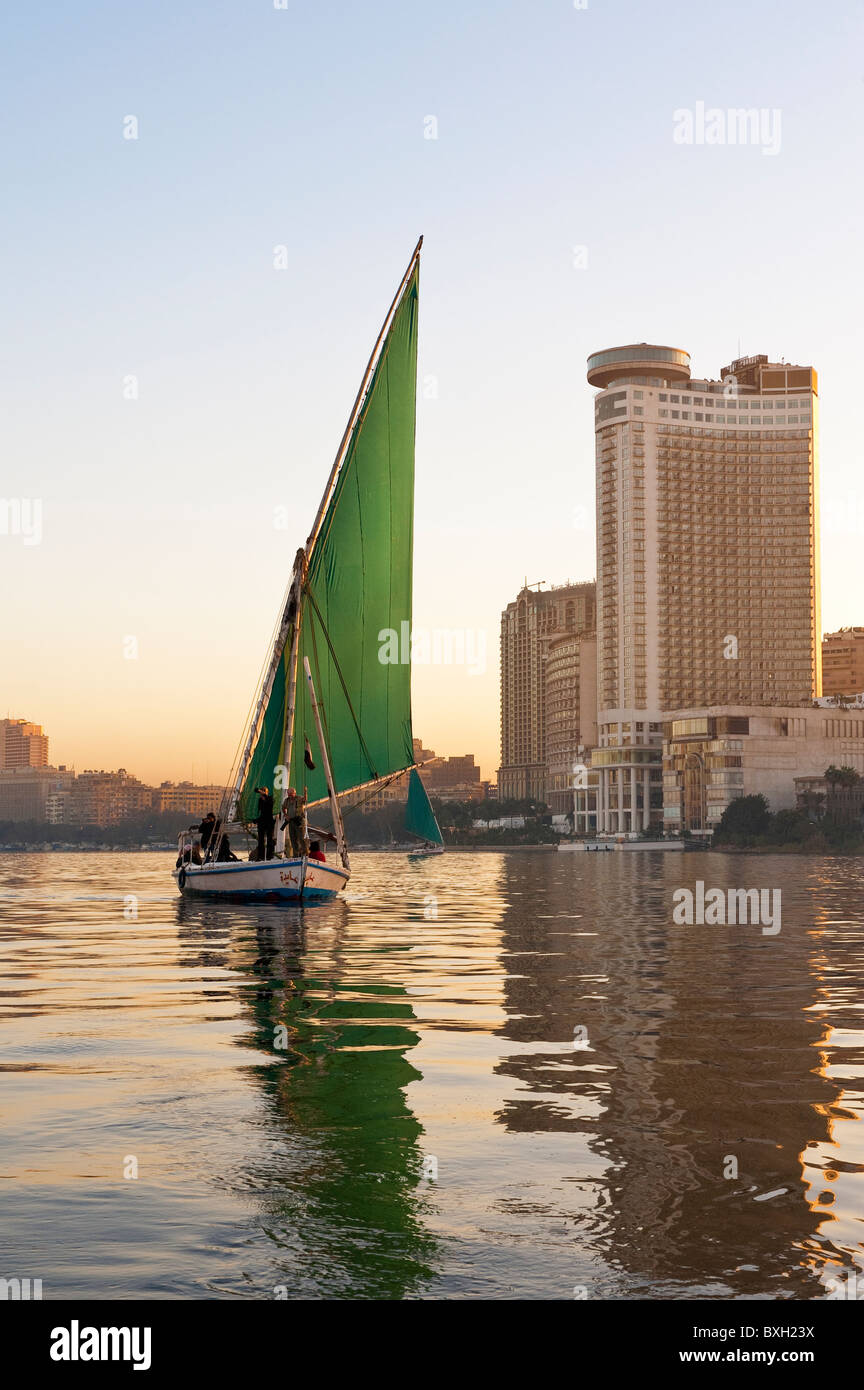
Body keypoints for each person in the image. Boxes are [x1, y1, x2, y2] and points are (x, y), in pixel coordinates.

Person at [280, 787, 307, 857]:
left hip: (299, 821)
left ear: (294, 793)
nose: (289, 796)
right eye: (288, 794)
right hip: (291, 822)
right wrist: (286, 815)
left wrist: (305, 792)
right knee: (293, 839)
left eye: (291, 794)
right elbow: (283, 807)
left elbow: (305, 800)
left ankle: (305, 854)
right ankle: (296, 855)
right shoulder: (287, 800)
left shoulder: (299, 798)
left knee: (301, 838)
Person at [255, 787, 275, 861]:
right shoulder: (260, 800)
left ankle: (270, 856)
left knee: (270, 839)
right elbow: (261, 812)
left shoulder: (270, 798)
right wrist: (257, 820)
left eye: (263, 792)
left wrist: (265, 795)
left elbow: (270, 807)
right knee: (260, 840)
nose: (261, 794)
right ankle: (261, 856)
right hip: (262, 822)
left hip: (269, 822)